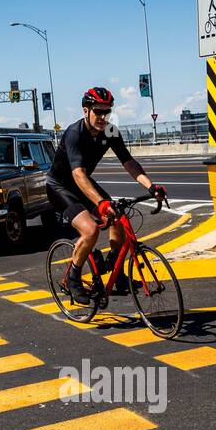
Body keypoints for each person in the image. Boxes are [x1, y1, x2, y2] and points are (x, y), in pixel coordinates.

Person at [47, 87, 166, 304]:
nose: (103, 117)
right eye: (98, 111)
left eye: (107, 112)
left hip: (83, 183)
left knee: (118, 216)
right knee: (90, 229)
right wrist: (100, 203)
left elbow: (128, 161)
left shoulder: (110, 131)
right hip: (61, 187)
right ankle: (73, 278)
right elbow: (78, 174)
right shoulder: (74, 133)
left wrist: (151, 186)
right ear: (86, 110)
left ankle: (117, 272)